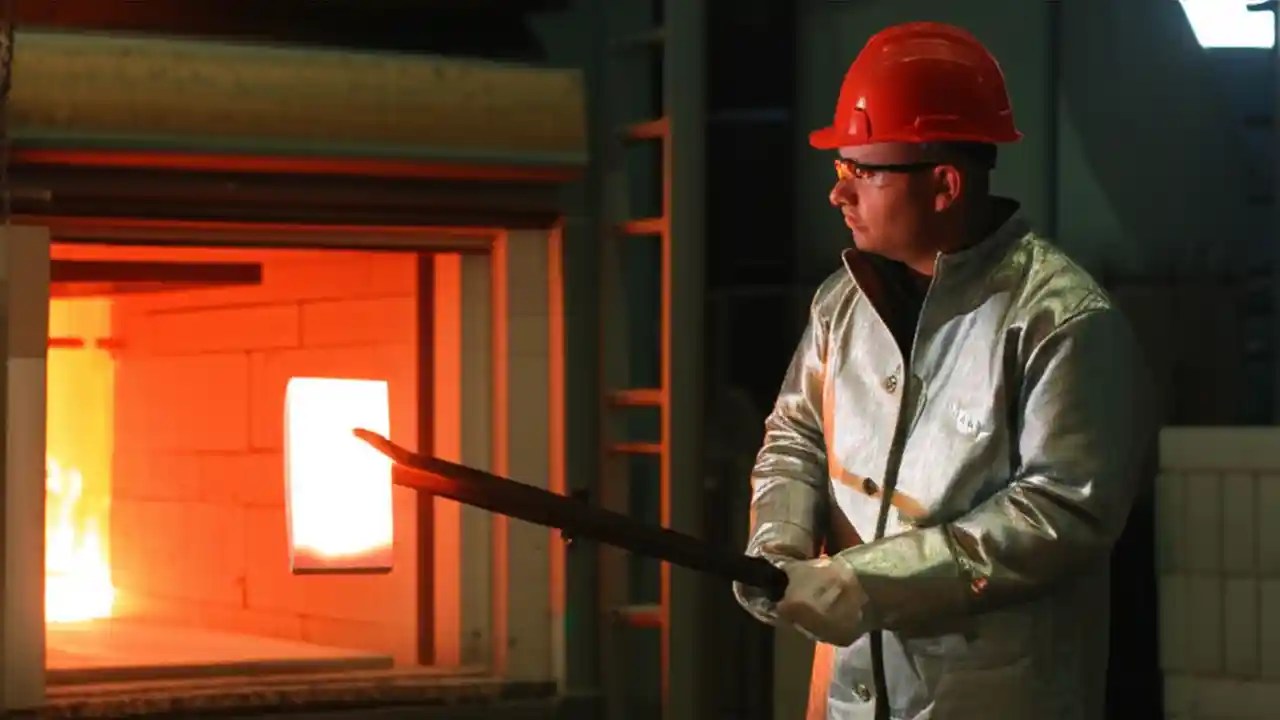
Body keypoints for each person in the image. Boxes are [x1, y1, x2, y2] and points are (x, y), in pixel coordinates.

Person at [732, 21, 1156, 720]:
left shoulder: (1062, 321)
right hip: (848, 702)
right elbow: (795, 437)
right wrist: (776, 538)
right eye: (839, 171)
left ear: (944, 185)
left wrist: (870, 582)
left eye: (861, 172)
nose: (839, 195)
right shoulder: (842, 305)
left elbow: (1063, 513)